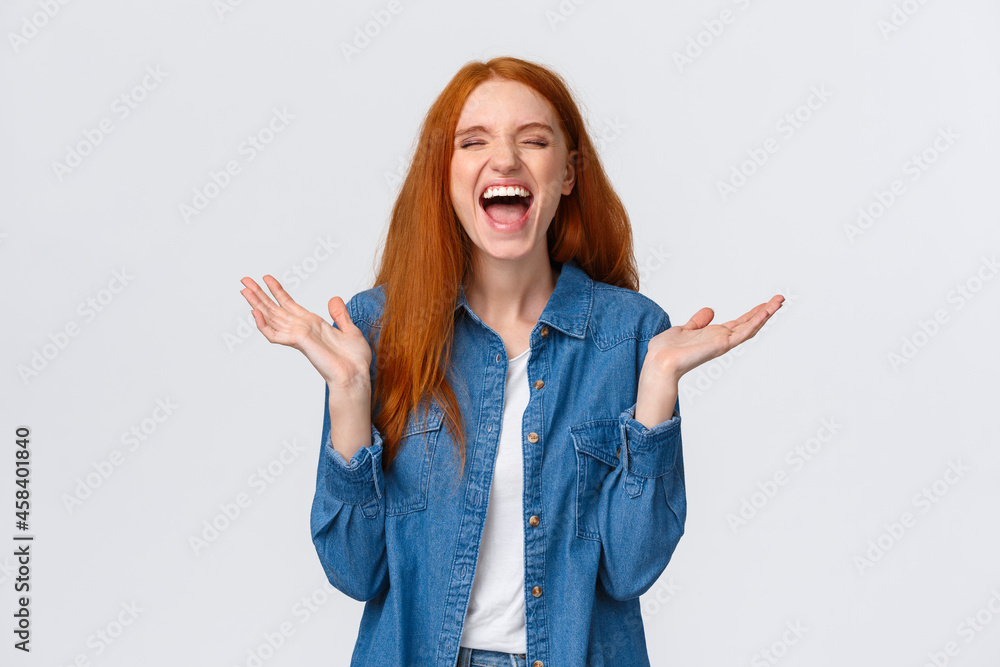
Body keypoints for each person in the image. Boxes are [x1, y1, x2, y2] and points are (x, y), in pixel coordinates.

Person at [239, 56, 783, 667]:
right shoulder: (375, 332)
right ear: (443, 174)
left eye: (533, 140)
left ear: (569, 173)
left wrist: (656, 387)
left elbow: (631, 570)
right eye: (473, 142)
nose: (505, 159)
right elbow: (354, 571)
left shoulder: (632, 334)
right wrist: (349, 386)